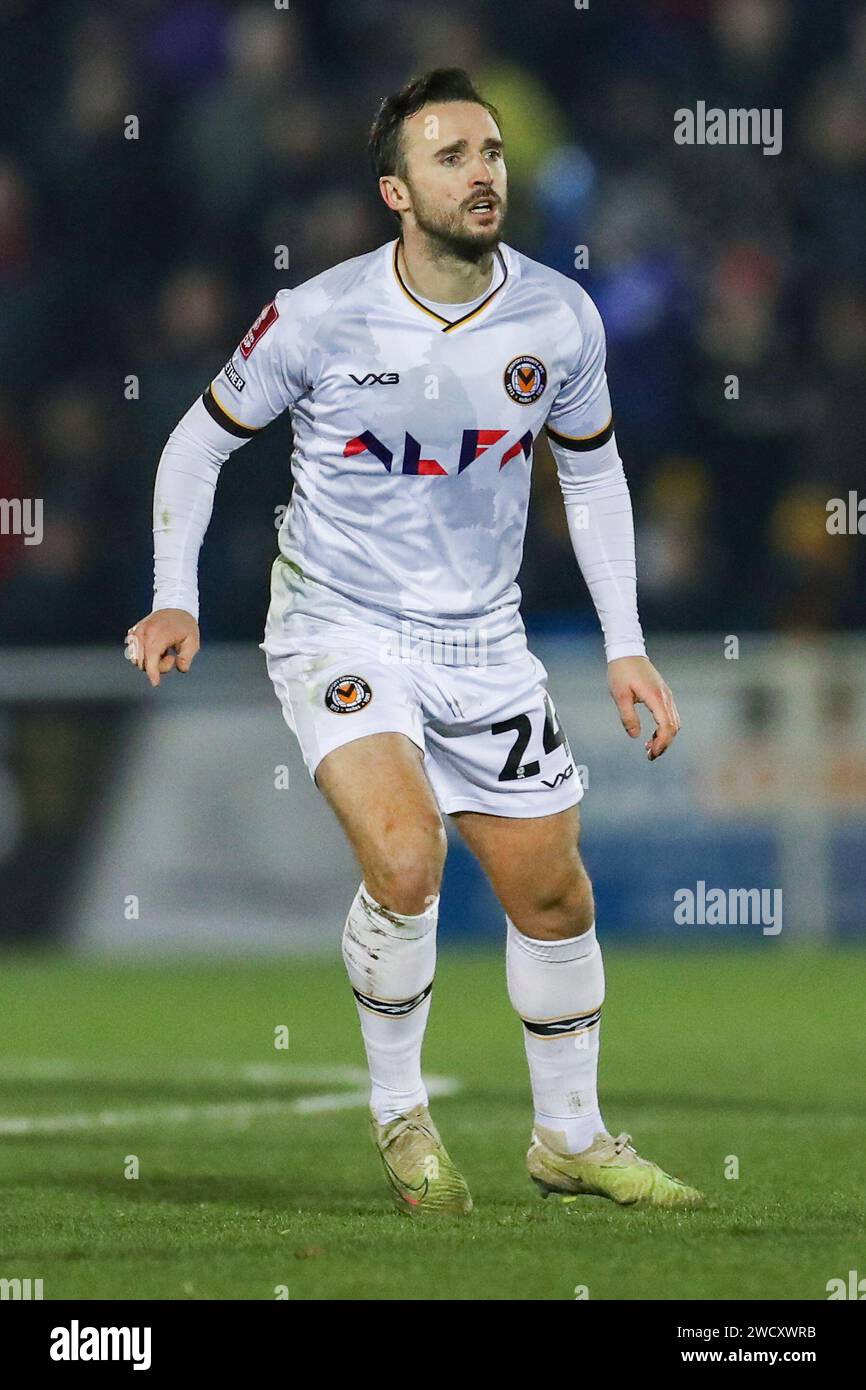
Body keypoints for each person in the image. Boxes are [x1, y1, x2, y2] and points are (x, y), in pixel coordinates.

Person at [128, 68, 701, 1215]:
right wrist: (173, 594)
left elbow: (590, 474)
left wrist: (625, 643)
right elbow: (195, 447)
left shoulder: (557, 315)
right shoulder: (320, 315)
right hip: (337, 618)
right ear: (395, 189)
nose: (481, 172)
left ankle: (570, 1138)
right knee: (405, 860)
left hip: (482, 639)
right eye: (450, 156)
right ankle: (400, 1116)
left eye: (489, 152)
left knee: (552, 899)